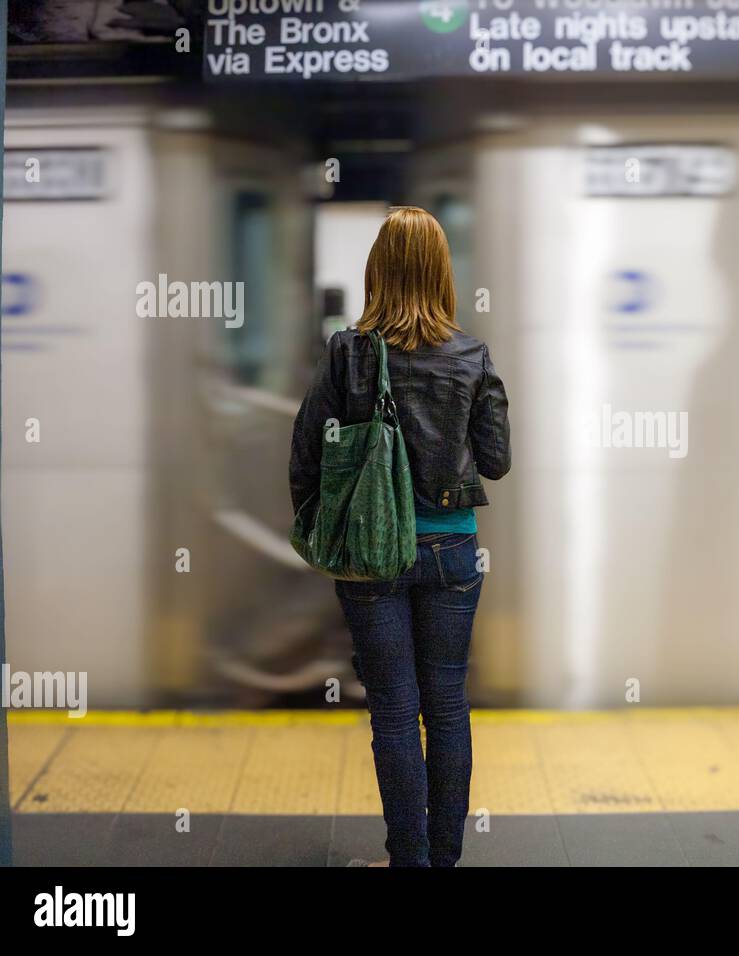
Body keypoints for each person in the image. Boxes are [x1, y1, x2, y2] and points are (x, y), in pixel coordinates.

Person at [289, 206, 510, 867]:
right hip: (452, 551)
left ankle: (406, 860)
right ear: (442, 272)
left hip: (370, 559)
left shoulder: (348, 356)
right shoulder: (471, 355)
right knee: (446, 700)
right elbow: (496, 460)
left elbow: (307, 454)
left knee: (392, 707)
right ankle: (444, 859)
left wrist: (325, 529)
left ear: (377, 272)